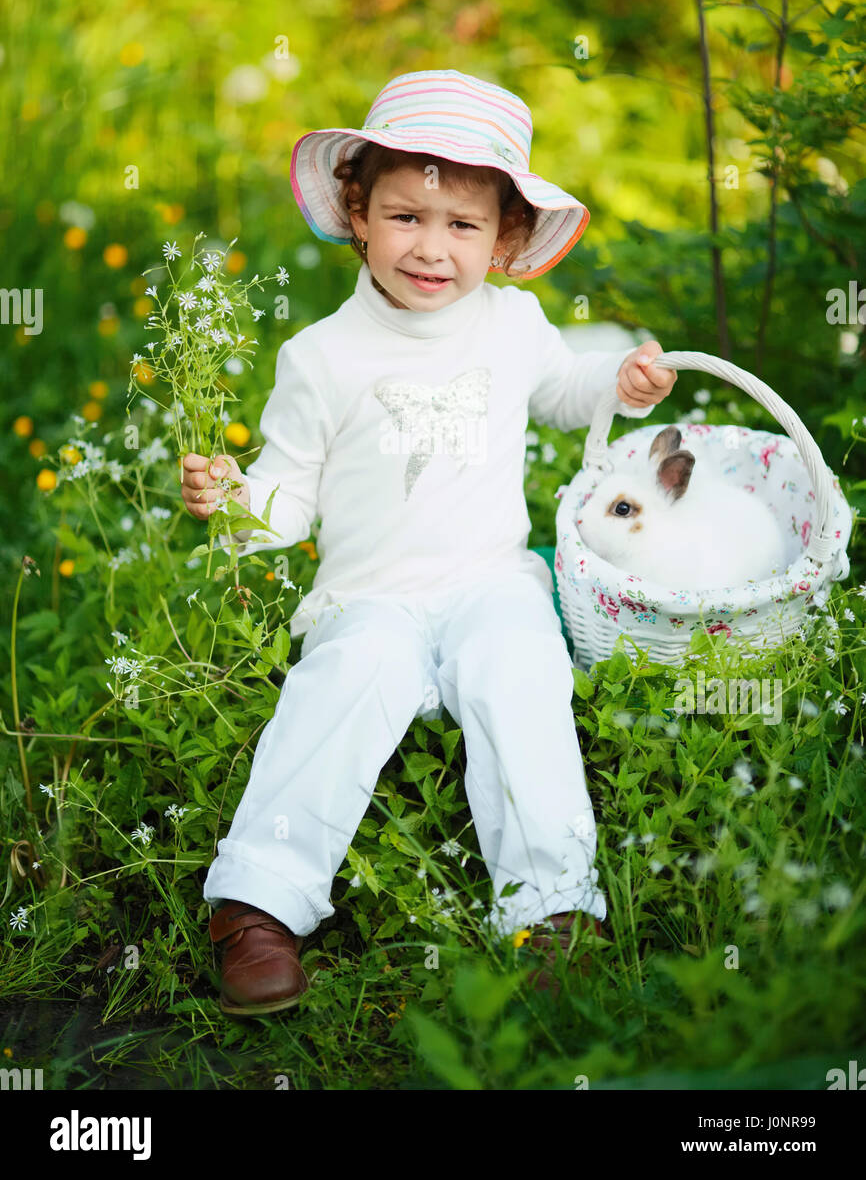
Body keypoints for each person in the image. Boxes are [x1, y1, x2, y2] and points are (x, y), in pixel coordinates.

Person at [181, 69, 677, 1014]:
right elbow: (287, 501)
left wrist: (621, 380)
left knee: (520, 669)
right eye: (407, 217)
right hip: (371, 590)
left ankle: (551, 906)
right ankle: (258, 902)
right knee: (345, 681)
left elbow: (565, 393)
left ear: (506, 241)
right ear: (359, 215)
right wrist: (234, 497)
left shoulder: (512, 321)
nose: (432, 249)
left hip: (491, 577)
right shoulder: (320, 358)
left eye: (463, 227)